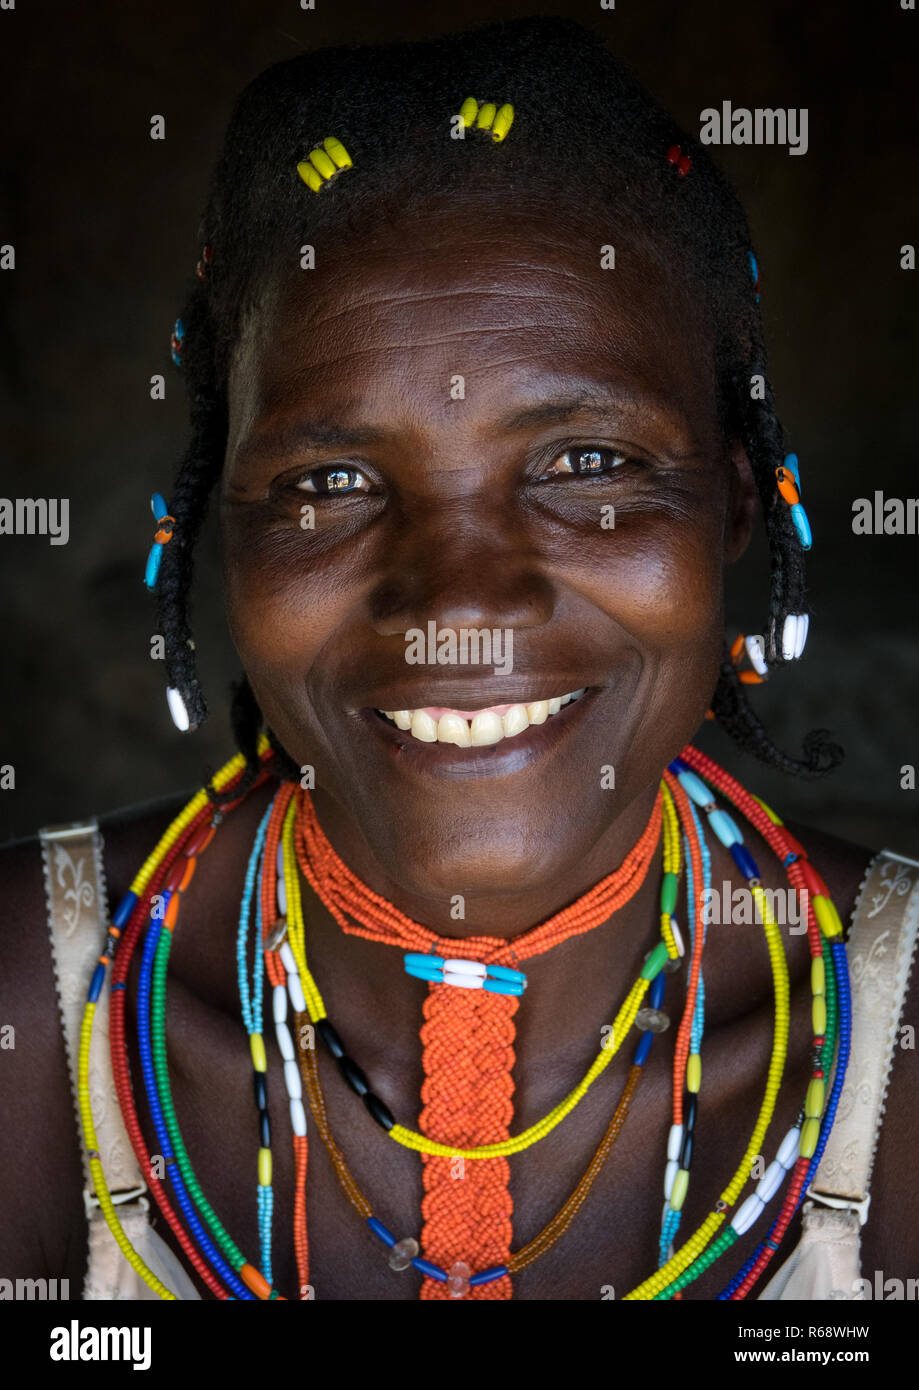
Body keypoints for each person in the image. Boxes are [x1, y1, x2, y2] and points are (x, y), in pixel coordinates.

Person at [1, 16, 916, 1304]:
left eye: (586, 465)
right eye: (330, 481)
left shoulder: (896, 1038)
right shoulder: (35, 1018)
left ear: (737, 503)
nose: (456, 601)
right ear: (228, 532)